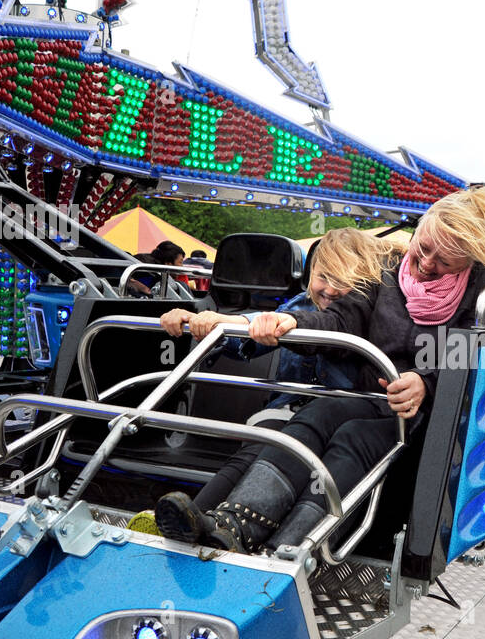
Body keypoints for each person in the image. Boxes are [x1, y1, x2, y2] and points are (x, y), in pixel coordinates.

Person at [159, 187, 485, 554]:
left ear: (469, 262)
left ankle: (294, 547)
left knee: (353, 437)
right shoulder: (386, 272)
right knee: (318, 412)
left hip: (427, 416)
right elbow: (338, 320)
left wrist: (427, 381)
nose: (428, 263)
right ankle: (236, 524)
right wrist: (289, 321)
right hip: (369, 397)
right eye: (424, 247)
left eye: (445, 262)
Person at [148, 229, 391, 539]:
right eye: (323, 277)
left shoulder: (369, 317)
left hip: (336, 428)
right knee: (264, 441)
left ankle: (239, 531)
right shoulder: (301, 306)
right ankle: (190, 522)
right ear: (309, 274)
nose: (329, 290)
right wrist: (203, 320)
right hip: (286, 413)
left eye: (343, 281)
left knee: (286, 441)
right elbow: (258, 325)